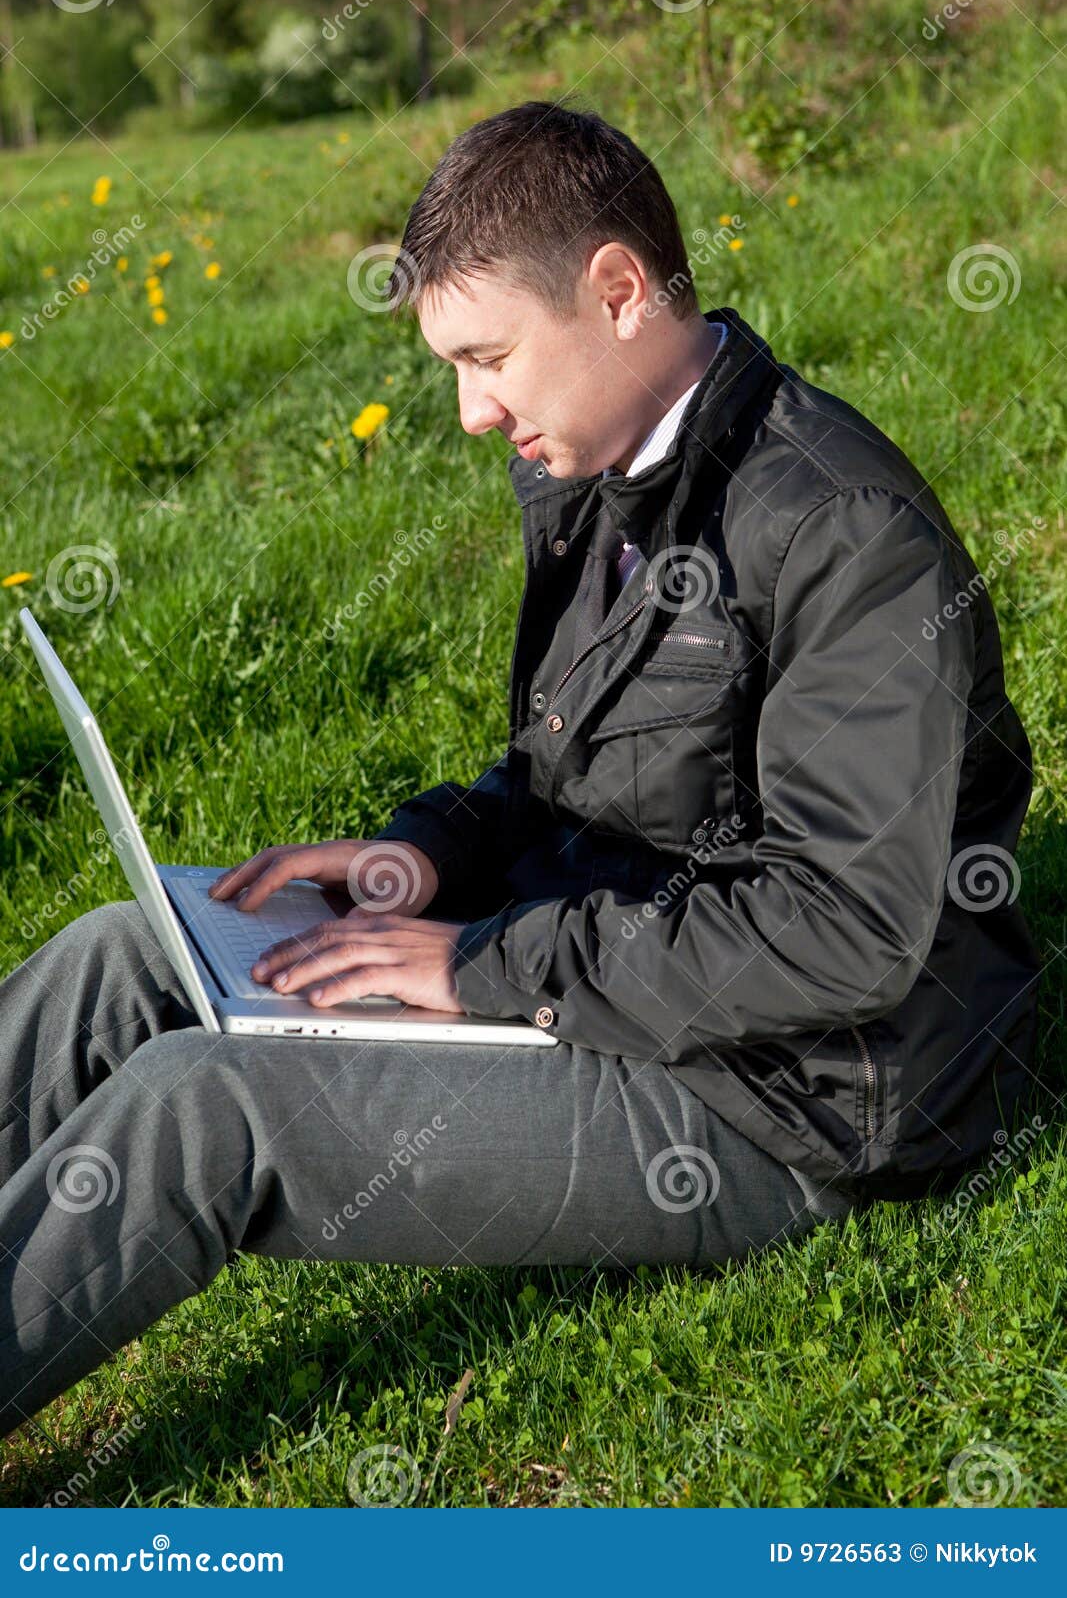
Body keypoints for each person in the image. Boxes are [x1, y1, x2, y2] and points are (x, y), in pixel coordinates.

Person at [0, 101, 1041, 1438]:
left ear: (616, 291)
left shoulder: (845, 535)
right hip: (604, 973)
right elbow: (579, 775)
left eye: (488, 358)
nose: (469, 411)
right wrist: (428, 856)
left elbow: (843, 935)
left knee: (204, 1109)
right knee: (125, 955)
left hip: (782, 1096)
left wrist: (486, 965)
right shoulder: (599, 465)